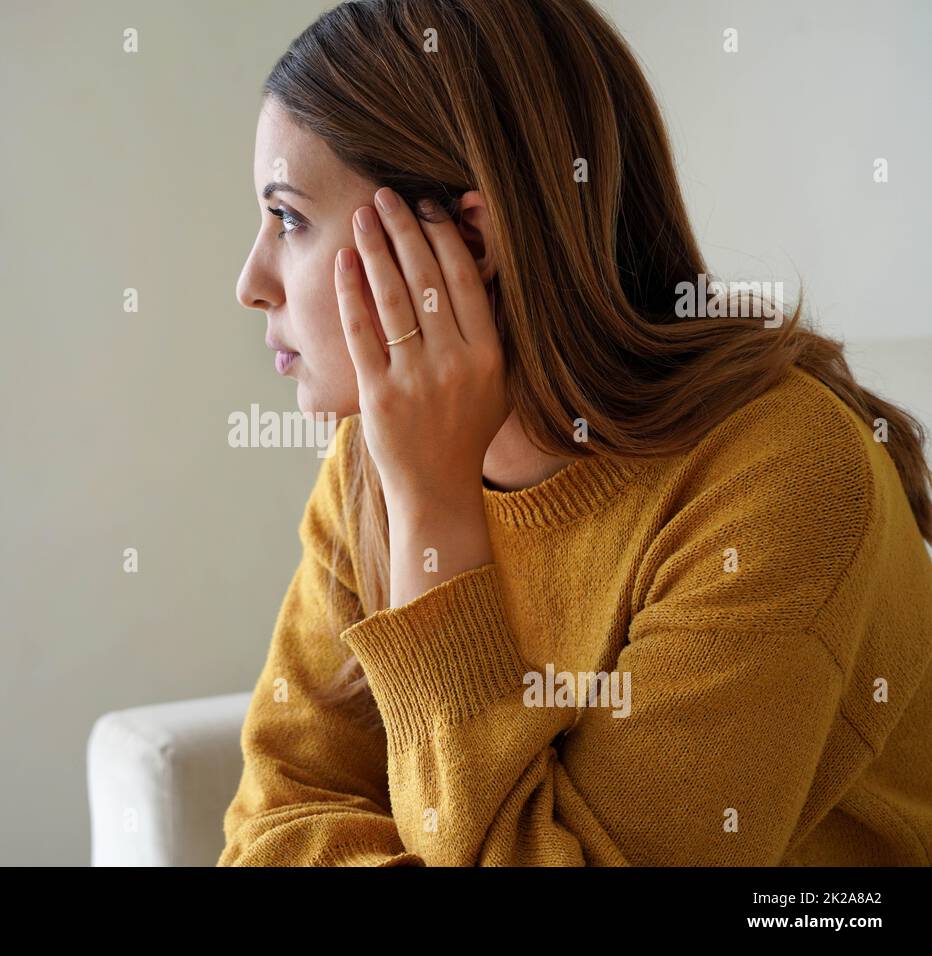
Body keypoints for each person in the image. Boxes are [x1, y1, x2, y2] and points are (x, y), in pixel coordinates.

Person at [223, 0, 932, 866]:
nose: (250, 282)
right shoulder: (377, 456)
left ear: (468, 240)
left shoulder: (779, 478)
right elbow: (271, 825)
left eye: (289, 218)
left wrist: (436, 515)